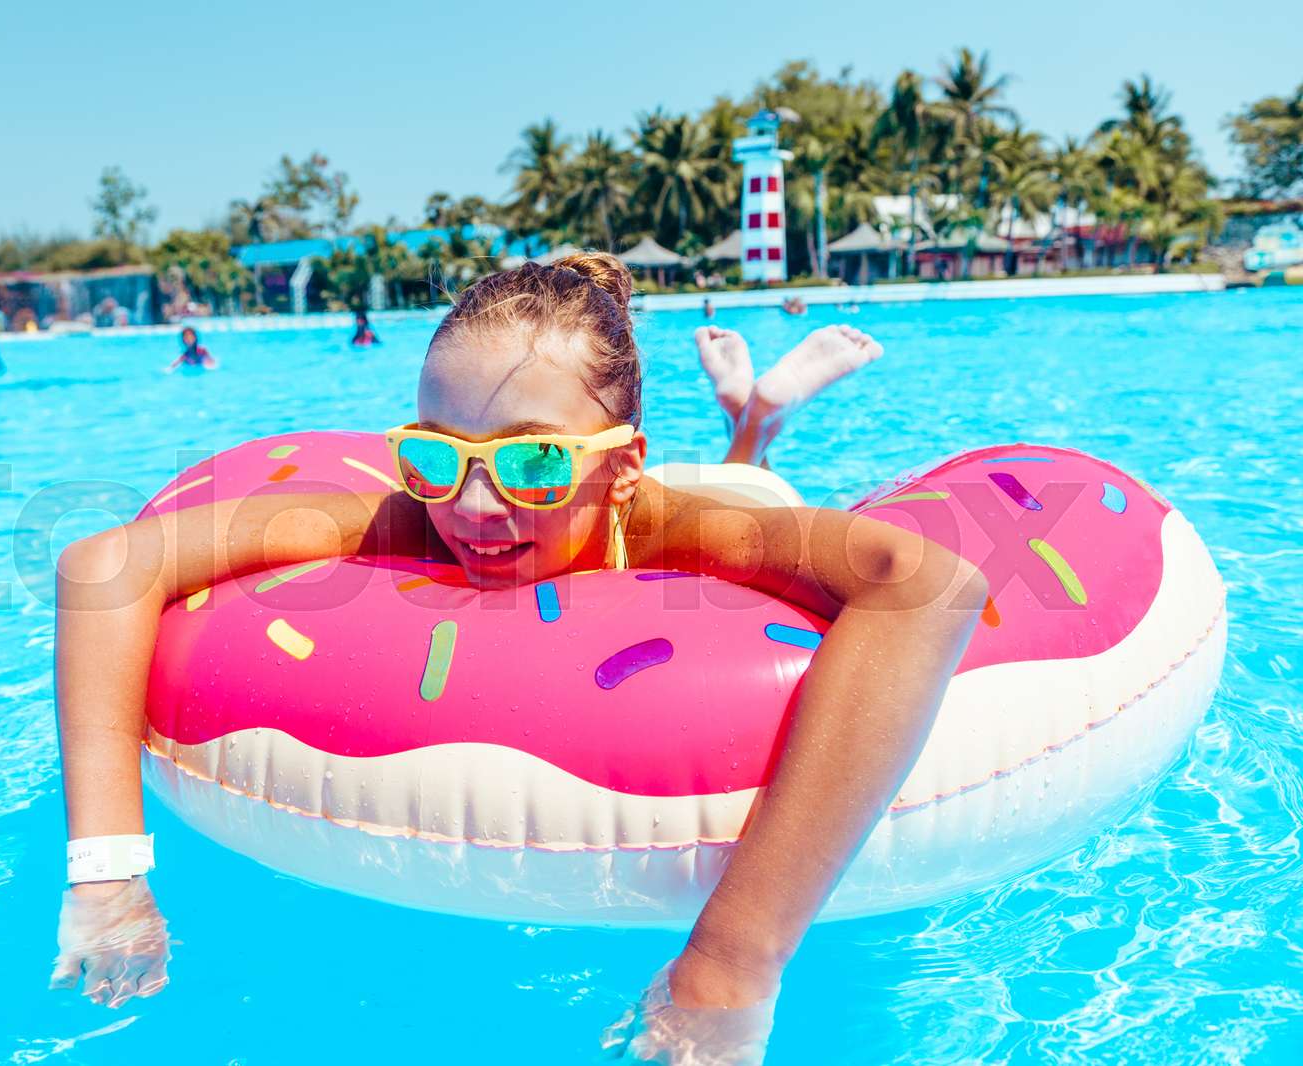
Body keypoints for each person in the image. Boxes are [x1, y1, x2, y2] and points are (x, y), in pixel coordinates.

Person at [50, 253, 984, 1061]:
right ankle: (744, 409)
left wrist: (735, 954)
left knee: (751, 477)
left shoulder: (677, 526)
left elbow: (931, 586)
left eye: (534, 464)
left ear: (620, 466)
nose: (476, 510)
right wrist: (108, 872)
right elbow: (105, 565)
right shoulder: (410, 519)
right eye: (435, 457)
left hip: (726, 497)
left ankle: (755, 421)